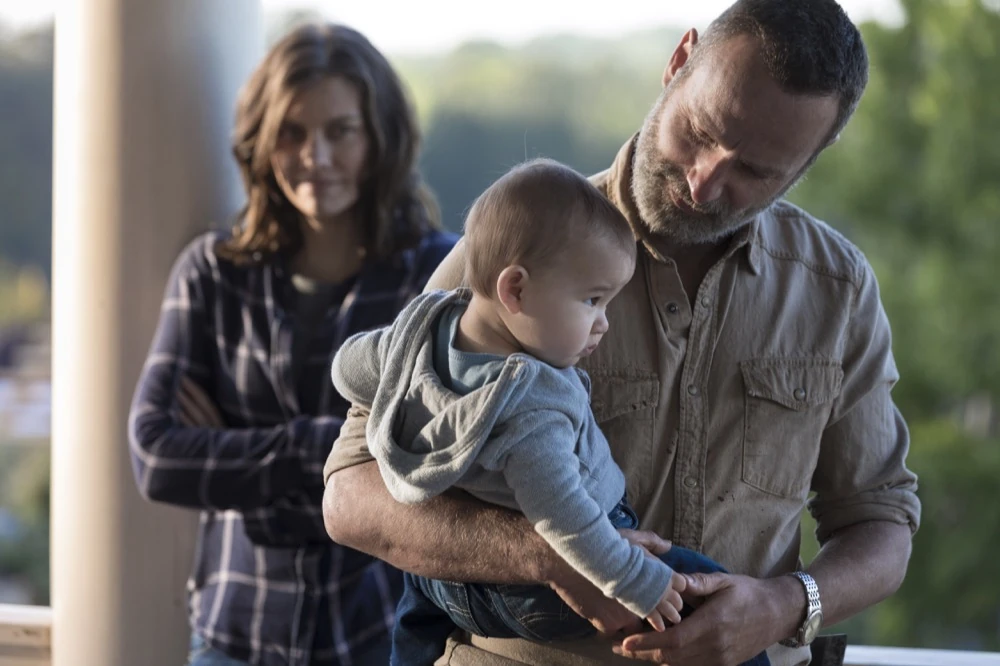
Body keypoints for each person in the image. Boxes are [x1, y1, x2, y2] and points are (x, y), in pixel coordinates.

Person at [323, 1, 922, 665]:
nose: (705, 181)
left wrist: (786, 604)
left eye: (755, 172)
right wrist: (548, 556)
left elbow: (881, 522)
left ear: (812, 157)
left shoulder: (837, 287)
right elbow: (350, 496)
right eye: (700, 131)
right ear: (678, 61)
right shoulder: (517, 243)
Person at [329, 160, 768, 666]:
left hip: (440, 579)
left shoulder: (422, 330)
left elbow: (347, 367)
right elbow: (565, 521)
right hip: (538, 591)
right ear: (515, 289)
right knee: (714, 600)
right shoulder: (532, 405)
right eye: (593, 301)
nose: (603, 324)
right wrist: (635, 579)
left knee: (415, 622)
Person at [128, 22, 456, 666]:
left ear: (380, 134)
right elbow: (157, 457)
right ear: (261, 139)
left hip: (383, 632)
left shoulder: (435, 275)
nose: (316, 156)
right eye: (293, 132)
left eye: (341, 131)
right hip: (235, 633)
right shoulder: (212, 273)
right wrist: (342, 447)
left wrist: (234, 448)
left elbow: (441, 458)